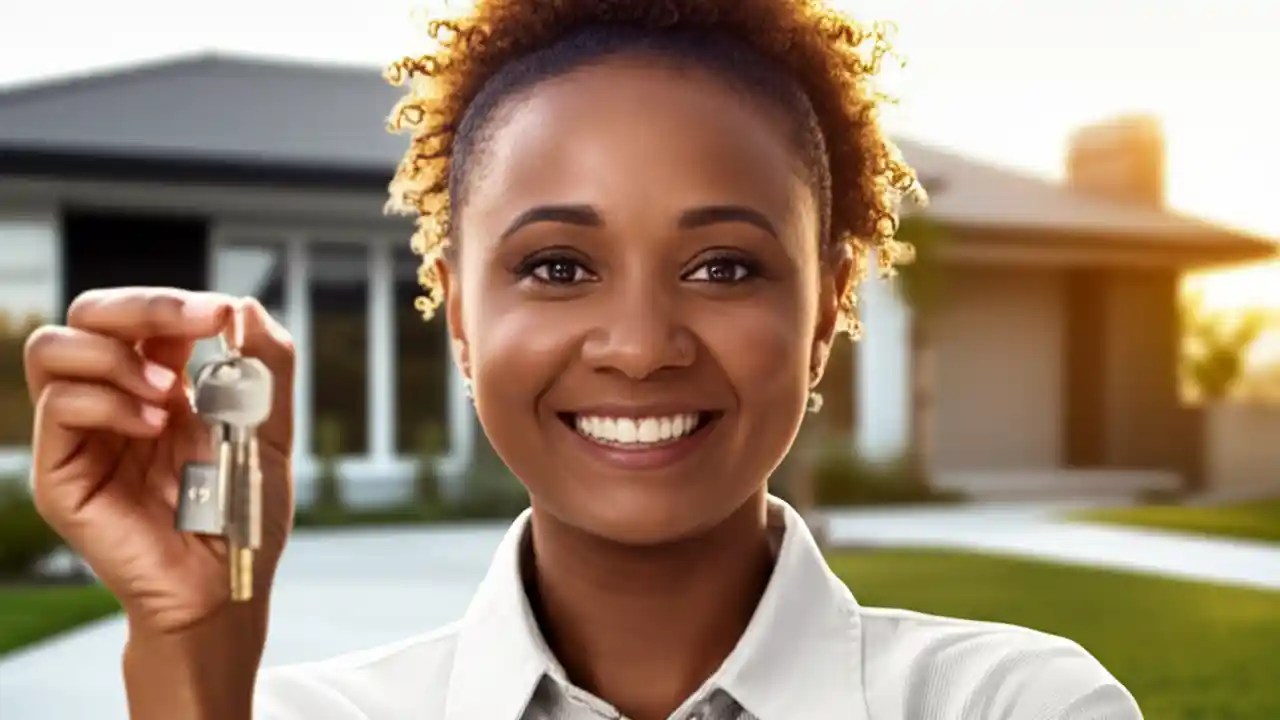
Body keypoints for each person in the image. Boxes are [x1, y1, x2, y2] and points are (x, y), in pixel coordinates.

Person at [22, 1, 1143, 718]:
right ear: (457, 315)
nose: (641, 347)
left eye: (722, 267)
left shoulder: (1015, 705)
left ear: (826, 310)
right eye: (557, 267)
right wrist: (192, 645)